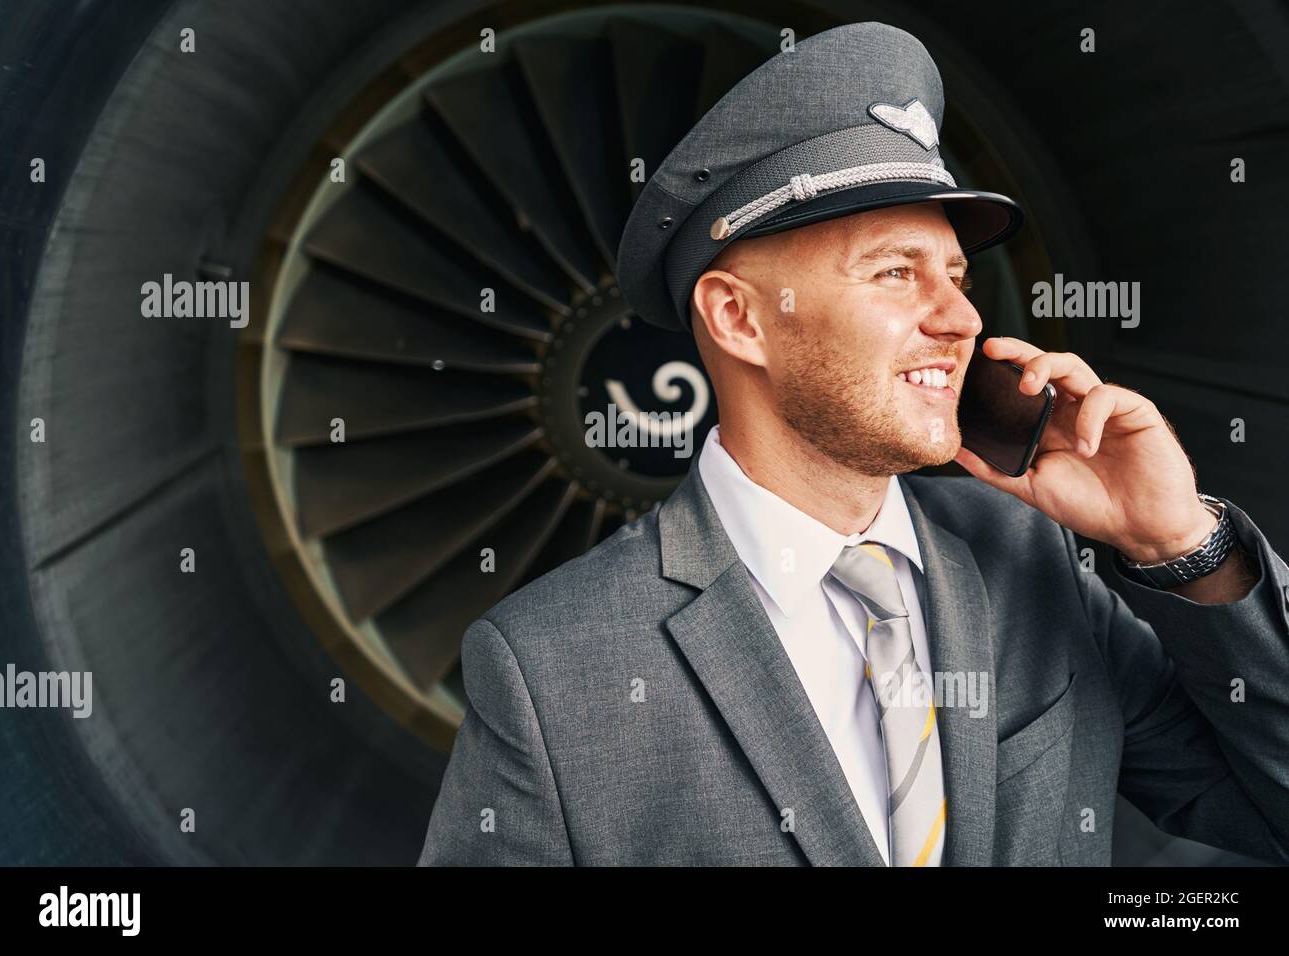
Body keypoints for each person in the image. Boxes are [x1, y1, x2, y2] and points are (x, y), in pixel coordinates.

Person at [417, 22, 1289, 866]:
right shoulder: (551, 670)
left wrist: (1182, 545)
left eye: (956, 275)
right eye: (894, 272)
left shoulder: (1029, 561)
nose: (961, 319)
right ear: (738, 318)